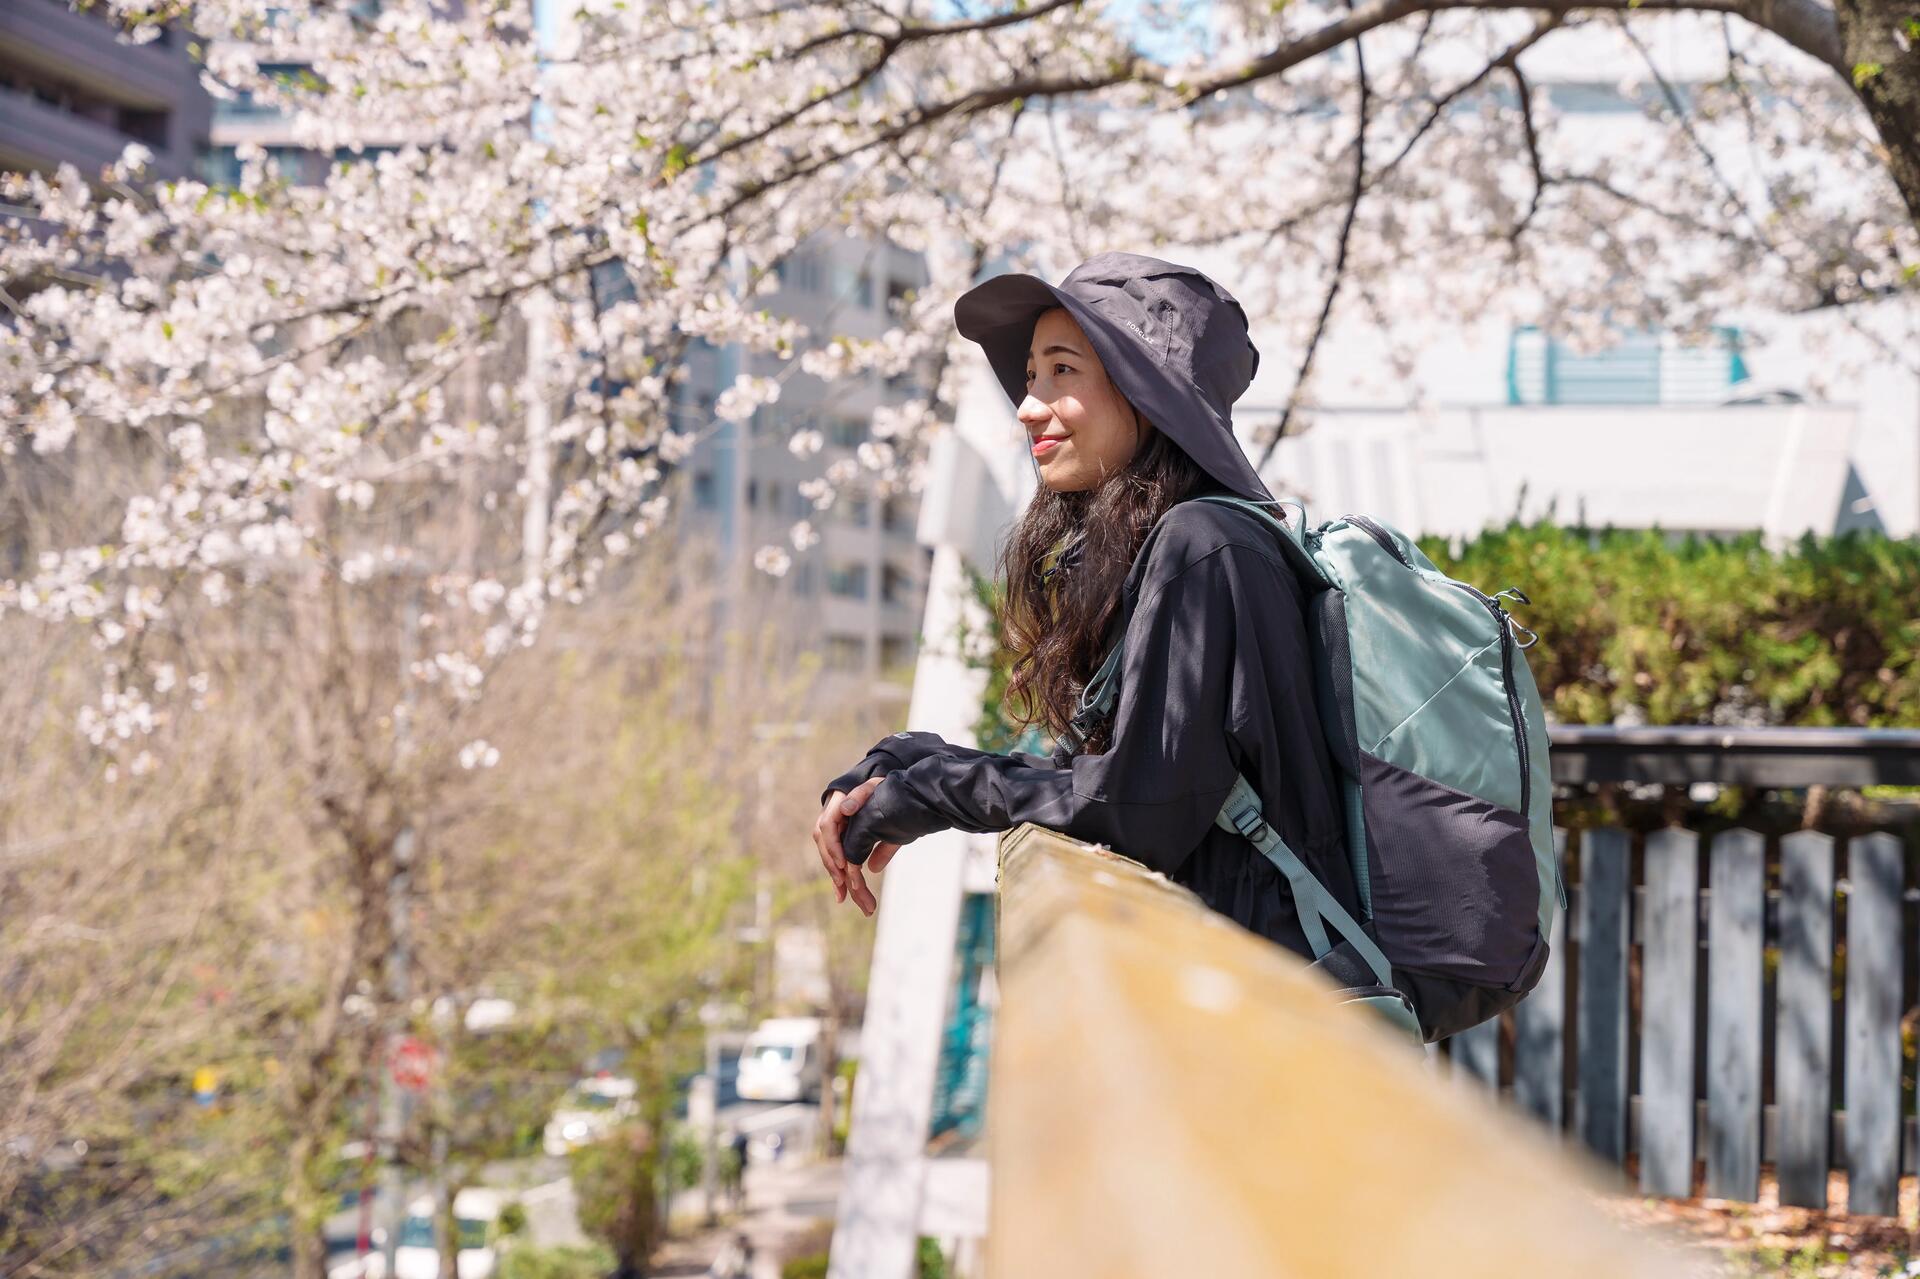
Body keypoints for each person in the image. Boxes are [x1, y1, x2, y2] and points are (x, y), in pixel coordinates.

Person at [809, 251, 1363, 967]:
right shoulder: (1177, 549)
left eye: (1062, 371)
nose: (1028, 404)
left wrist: (930, 794)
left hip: (1284, 1017)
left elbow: (1135, 812)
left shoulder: (1205, 547)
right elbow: (1102, 779)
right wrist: (904, 762)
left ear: (1146, 394)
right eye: (1032, 375)